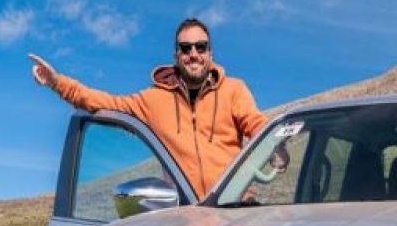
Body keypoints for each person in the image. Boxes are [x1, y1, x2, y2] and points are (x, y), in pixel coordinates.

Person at [29, 18, 281, 200]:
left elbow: (255, 123)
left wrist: (274, 146)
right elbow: (104, 103)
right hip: (184, 215)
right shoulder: (153, 100)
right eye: (186, 48)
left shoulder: (234, 90)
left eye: (200, 47)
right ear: (176, 56)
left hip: (234, 206)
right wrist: (56, 82)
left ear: (210, 53)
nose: (193, 53)